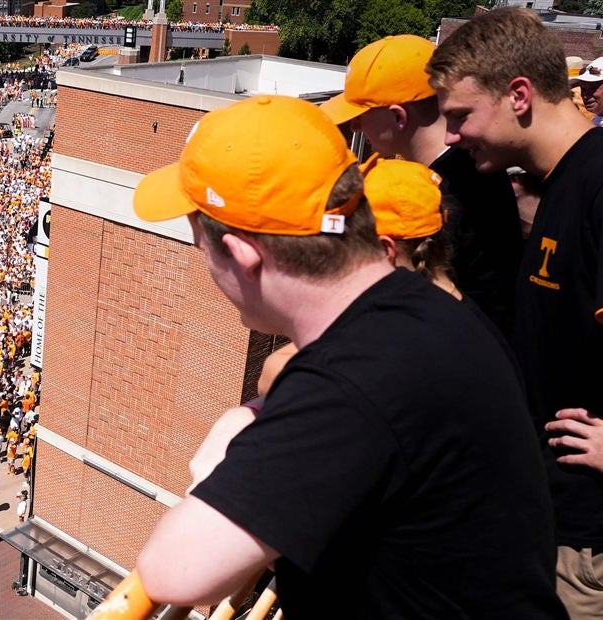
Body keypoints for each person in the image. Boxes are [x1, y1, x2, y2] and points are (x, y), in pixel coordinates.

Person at [127, 95, 563, 616]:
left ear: (243, 256)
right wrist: (250, 414)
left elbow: (175, 572)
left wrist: (234, 441)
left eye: (200, 244)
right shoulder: (428, 309)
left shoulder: (356, 378)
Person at [429, 9, 603, 617]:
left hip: (588, 555)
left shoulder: (598, 186)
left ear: (519, 96)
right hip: (551, 530)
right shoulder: (556, 185)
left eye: (460, 117)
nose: (451, 136)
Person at [321, 34, 523, 333]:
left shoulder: (440, 199)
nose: (355, 125)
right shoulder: (474, 167)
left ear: (398, 117)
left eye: (362, 114)